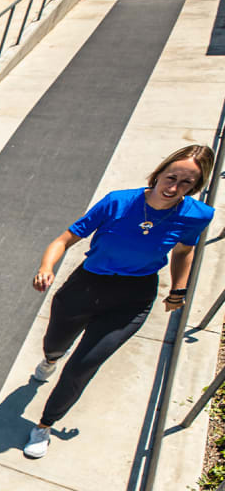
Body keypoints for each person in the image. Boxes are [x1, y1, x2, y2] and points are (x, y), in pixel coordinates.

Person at [26, 145, 216, 458]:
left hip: (133, 298)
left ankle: (45, 425)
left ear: (195, 188)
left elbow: (183, 251)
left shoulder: (197, 215)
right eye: (171, 177)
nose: (174, 188)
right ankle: (50, 359)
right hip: (86, 286)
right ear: (157, 174)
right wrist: (46, 268)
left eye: (187, 183)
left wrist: (178, 289)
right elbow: (65, 239)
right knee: (55, 343)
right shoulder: (118, 202)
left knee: (82, 367)